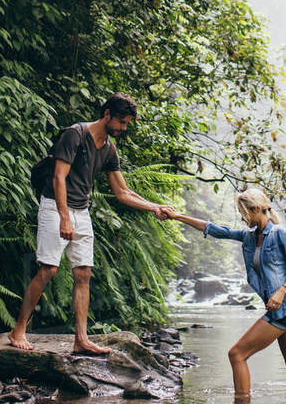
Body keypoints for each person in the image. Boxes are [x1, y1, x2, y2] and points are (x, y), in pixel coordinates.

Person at [10, 92, 169, 355]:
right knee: (48, 270)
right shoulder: (75, 134)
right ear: (106, 114)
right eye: (121, 121)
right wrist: (63, 217)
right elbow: (59, 178)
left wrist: (155, 207)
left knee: (83, 274)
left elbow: (122, 192)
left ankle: (81, 339)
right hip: (54, 206)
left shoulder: (109, 148)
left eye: (127, 123)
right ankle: (18, 330)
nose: (123, 128)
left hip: (82, 212)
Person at [167, 188, 286, 395]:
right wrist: (177, 217)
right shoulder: (249, 237)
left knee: (236, 355)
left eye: (244, 213)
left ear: (256, 209)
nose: (242, 218)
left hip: (285, 309)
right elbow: (215, 229)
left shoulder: (279, 233)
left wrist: (281, 291)